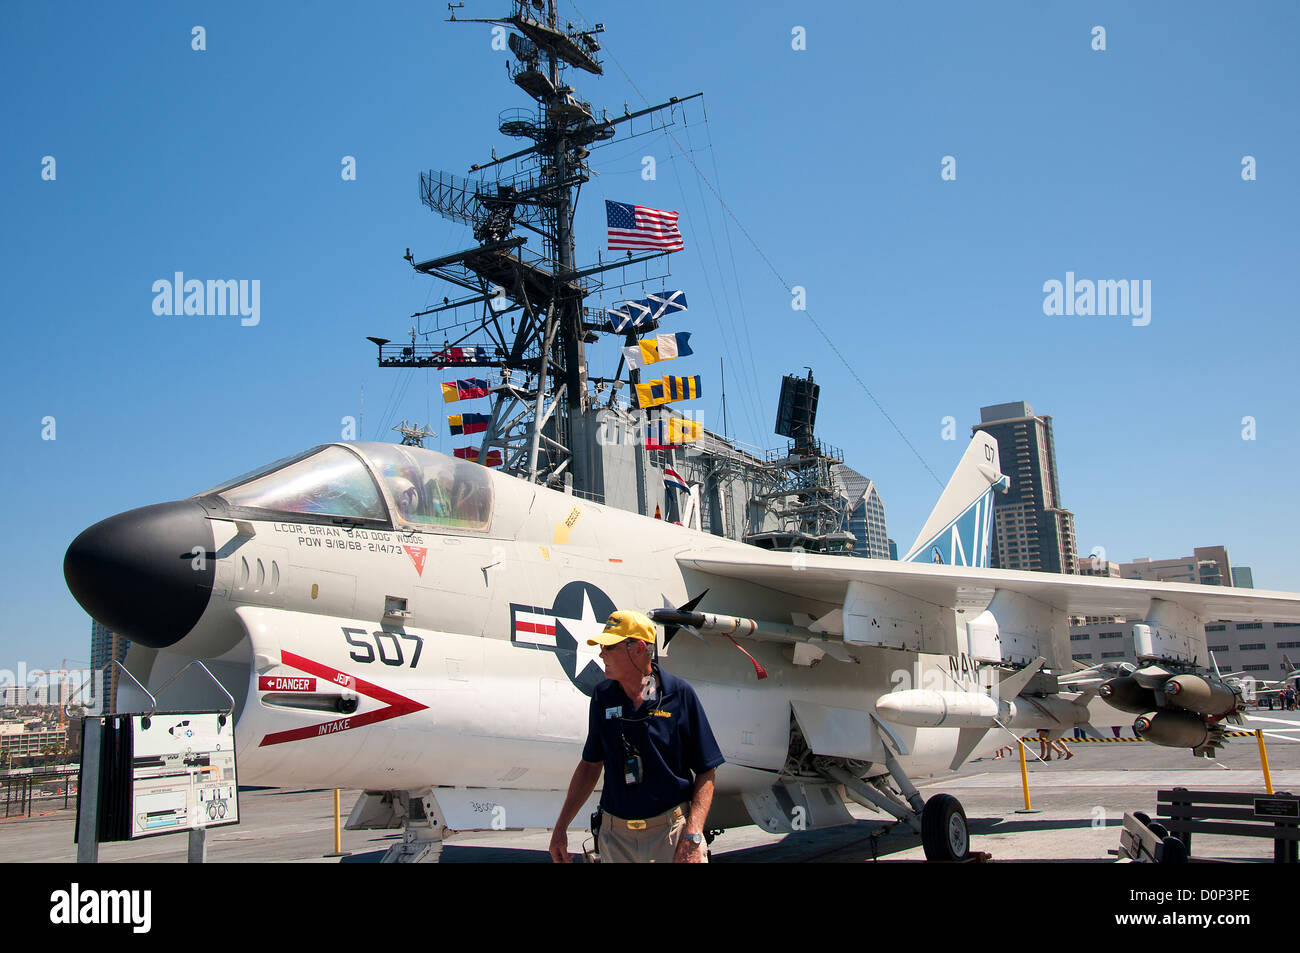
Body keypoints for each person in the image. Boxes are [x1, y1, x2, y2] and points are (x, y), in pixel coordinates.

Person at [549, 610, 724, 863]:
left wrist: (694, 835)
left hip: (670, 835)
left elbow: (707, 771)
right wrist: (561, 827)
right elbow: (589, 766)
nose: (601, 653)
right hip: (615, 838)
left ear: (639, 648)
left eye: (610, 647)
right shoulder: (603, 696)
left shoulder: (679, 695)